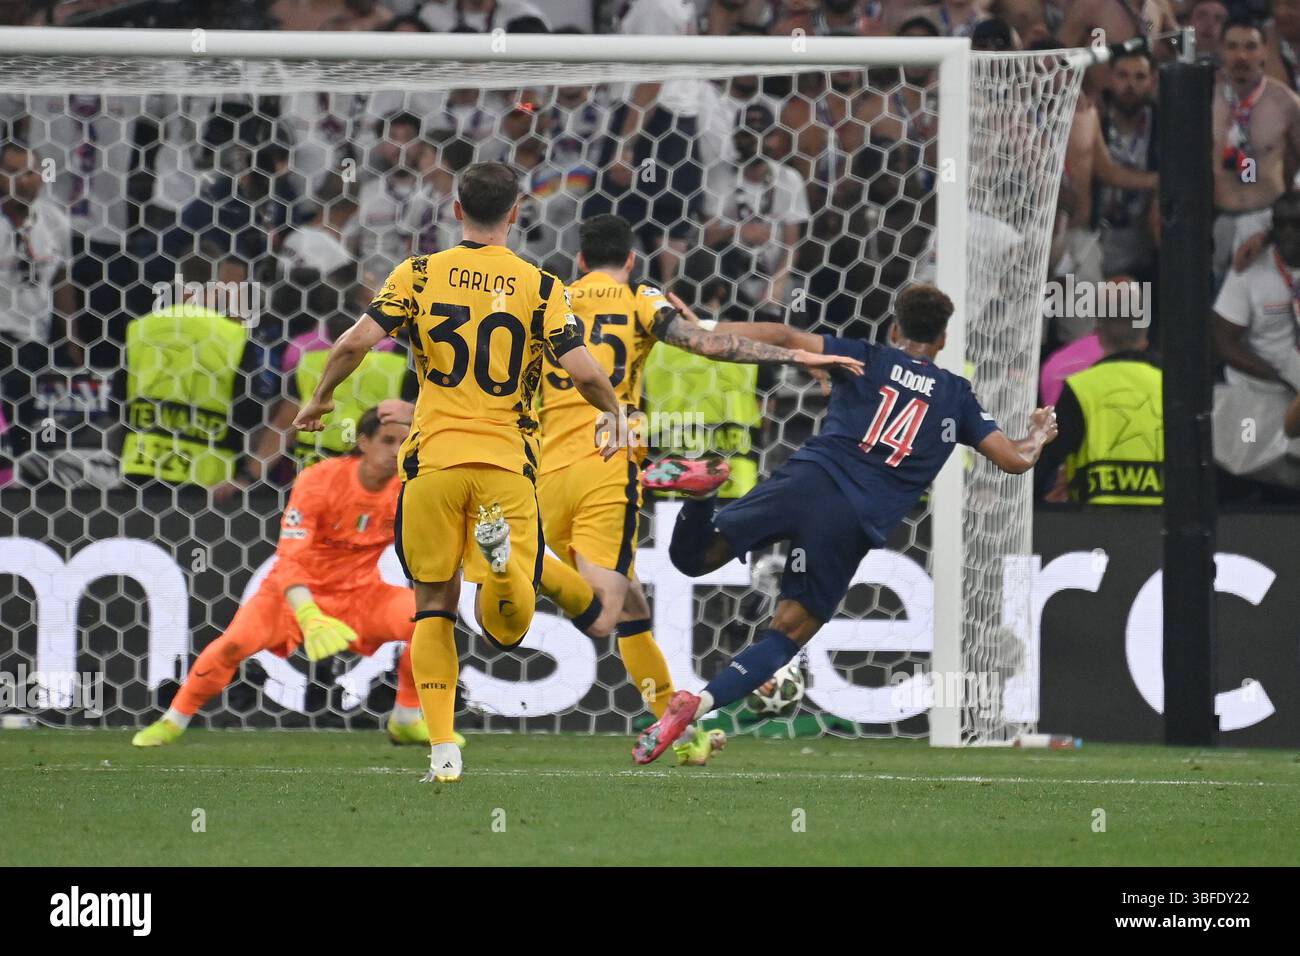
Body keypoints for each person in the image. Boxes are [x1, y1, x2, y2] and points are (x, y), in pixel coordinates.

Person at [292, 162, 623, 783]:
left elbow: (354, 344)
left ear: (454, 210)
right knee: (507, 627)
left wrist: (320, 399)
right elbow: (581, 370)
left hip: (434, 463)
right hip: (505, 462)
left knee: (433, 608)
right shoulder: (540, 285)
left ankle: (444, 752)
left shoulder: (417, 274)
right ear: (517, 211)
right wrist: (615, 413)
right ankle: (499, 568)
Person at [632, 284, 1058, 764]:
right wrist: (1038, 435)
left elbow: (782, 331)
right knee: (788, 632)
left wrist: (706, 329)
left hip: (806, 477)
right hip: (851, 517)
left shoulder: (865, 357)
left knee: (694, 558)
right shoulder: (956, 395)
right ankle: (701, 703)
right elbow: (1014, 460)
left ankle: (702, 495)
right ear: (942, 339)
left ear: (895, 329)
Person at [534, 215, 863, 765]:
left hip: (546, 470)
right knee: (604, 614)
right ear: (633, 261)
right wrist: (797, 355)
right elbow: (708, 345)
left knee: (634, 603)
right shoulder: (640, 297)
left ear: (581, 261)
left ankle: (678, 729)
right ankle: (514, 564)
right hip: (607, 464)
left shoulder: (552, 302)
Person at [131, 407, 450, 749]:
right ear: (363, 442)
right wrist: (308, 614)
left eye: (404, 443)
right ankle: (172, 720)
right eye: (387, 440)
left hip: (360, 596)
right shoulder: (320, 480)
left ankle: (405, 718)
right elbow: (289, 558)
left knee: (432, 623)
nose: (395, 451)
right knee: (234, 645)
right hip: (291, 596)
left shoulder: (409, 491)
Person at [1036, 310, 1162, 504]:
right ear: (1145, 340)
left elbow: (1047, 462)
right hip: (1163, 521)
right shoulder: (1171, 386)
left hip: (1095, 523)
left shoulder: (1079, 387)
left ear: (1098, 337)